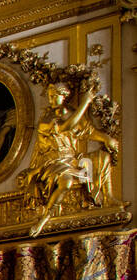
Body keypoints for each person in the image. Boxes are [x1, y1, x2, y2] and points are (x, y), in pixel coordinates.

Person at [23, 80, 118, 237]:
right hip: (53, 162)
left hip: (72, 159)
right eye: (50, 96)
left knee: (104, 157)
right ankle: (45, 217)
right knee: (66, 181)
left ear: (64, 96)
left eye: (55, 96)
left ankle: (109, 198)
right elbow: (67, 126)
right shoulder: (46, 119)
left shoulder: (72, 113)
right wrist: (85, 103)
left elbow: (87, 131)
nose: (51, 100)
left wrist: (106, 139)